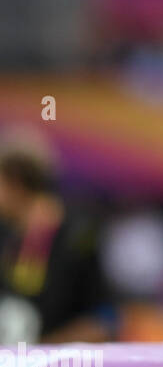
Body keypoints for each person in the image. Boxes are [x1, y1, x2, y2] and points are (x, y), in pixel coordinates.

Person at [0, 128, 115, 345]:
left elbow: (104, 320)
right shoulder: (8, 235)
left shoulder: (79, 238)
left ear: (16, 183)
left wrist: (41, 356)